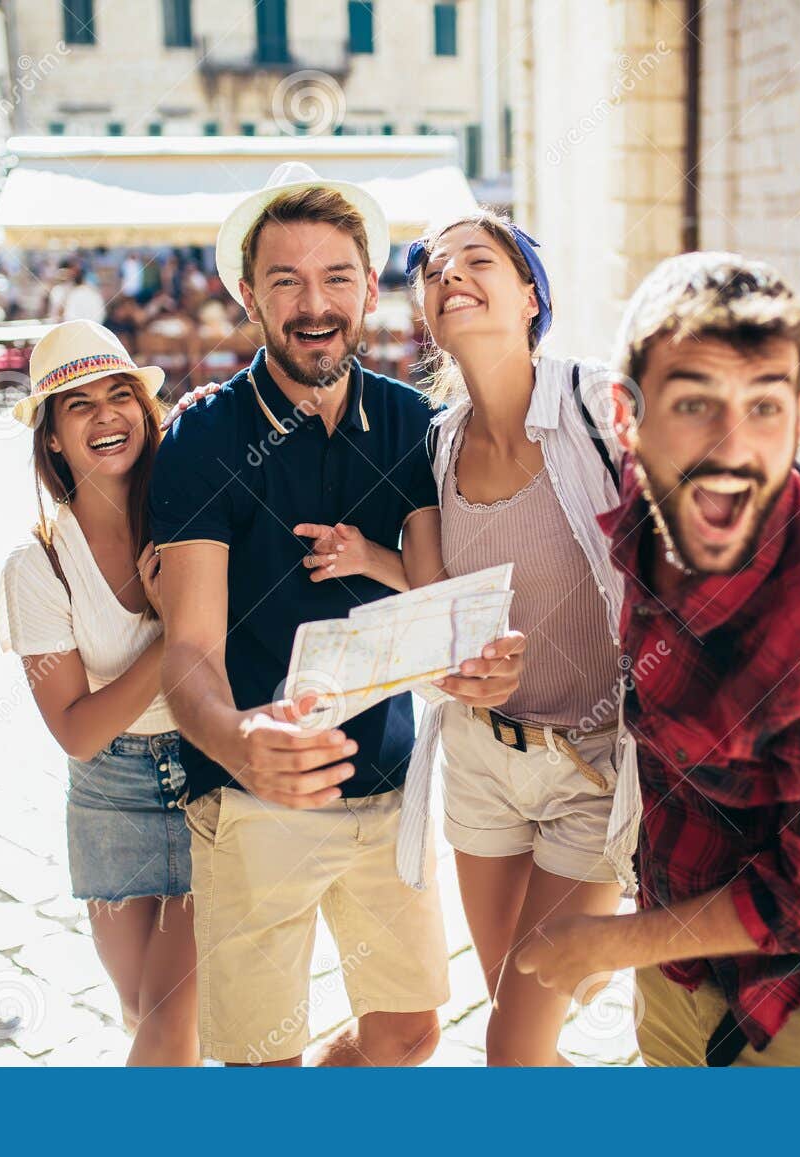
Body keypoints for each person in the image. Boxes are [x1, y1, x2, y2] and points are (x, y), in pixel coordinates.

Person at [515, 252, 800, 1068]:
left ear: (795, 419)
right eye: (694, 404)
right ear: (628, 419)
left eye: (764, 408)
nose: (731, 448)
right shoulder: (656, 510)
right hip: (683, 958)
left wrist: (608, 943)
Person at [149, 163, 526, 1067]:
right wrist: (241, 742)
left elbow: (435, 605)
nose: (314, 305)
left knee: (408, 1032)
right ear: (248, 295)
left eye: (335, 278)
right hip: (251, 794)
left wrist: (476, 663)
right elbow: (189, 651)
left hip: (389, 788)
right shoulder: (203, 438)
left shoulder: (410, 422)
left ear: (368, 287)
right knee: (260, 1065)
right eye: (286, 281)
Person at [395, 211, 640, 1066]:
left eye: (478, 259)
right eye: (433, 268)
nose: (450, 273)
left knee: (512, 1042)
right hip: (481, 767)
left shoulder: (596, 404)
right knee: (517, 1007)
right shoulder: (431, 445)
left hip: (590, 767)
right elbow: (442, 610)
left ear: (530, 294)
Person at [0, 320, 199, 1066]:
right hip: (111, 796)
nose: (106, 414)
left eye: (120, 395)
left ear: (147, 412)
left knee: (171, 1028)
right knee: (144, 1013)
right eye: (78, 405)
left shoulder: (191, 511)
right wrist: (175, 629)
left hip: (213, 777)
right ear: (51, 437)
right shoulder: (39, 564)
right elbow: (79, 731)